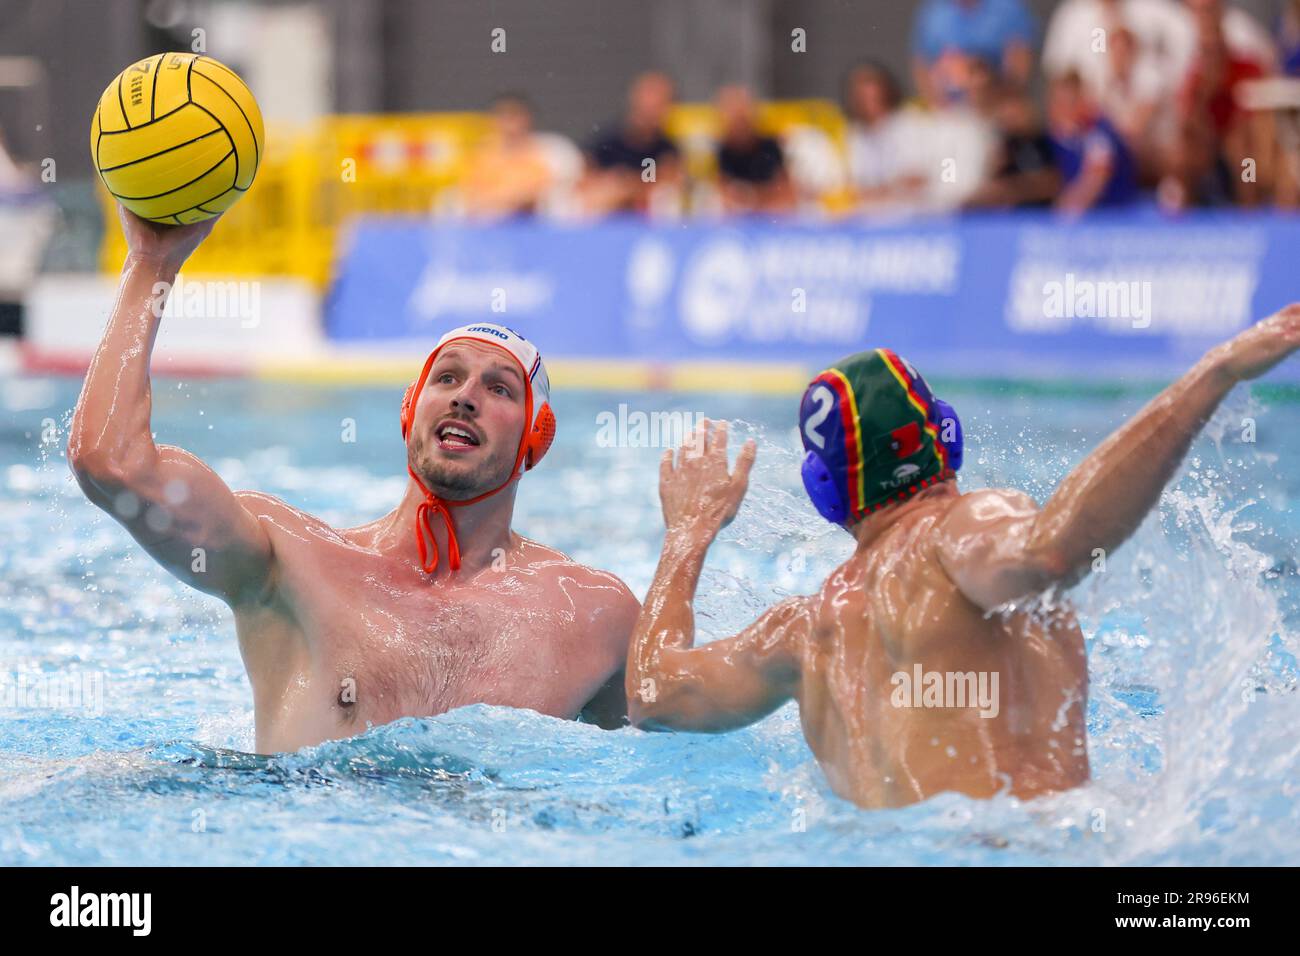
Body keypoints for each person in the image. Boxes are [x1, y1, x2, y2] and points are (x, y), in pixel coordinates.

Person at [625, 307, 1300, 809]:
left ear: (824, 490)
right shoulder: (959, 531)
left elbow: (651, 695)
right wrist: (1215, 374)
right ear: (947, 438)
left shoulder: (802, 636)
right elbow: (1057, 547)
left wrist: (690, 531)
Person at [68, 209, 641, 754]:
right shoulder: (286, 559)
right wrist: (151, 261)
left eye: (498, 389)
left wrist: (688, 547)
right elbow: (109, 463)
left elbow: (650, 765)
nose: (465, 396)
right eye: (447, 377)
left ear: (535, 439)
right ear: (410, 410)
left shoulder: (592, 614)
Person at [582, 71, 683, 216]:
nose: (650, 110)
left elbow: (667, 188)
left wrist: (629, 186)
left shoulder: (668, 152)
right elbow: (585, 185)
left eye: (658, 104)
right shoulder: (605, 143)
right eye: (646, 102)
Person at [911, 0, 1037, 106]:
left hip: (998, 101)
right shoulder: (934, 11)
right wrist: (939, 105)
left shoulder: (1008, 8)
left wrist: (995, 97)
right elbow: (921, 67)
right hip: (946, 105)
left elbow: (1019, 69)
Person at [1047, 71, 1140, 213]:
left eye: (1068, 102)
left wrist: (1063, 213)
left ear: (1081, 100)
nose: (1062, 109)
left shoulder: (1098, 131)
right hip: (1090, 214)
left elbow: (1095, 181)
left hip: (1116, 214)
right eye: (1058, 102)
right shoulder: (1058, 134)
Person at [460, 93, 554, 219]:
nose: (508, 123)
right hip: (484, 222)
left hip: (525, 224)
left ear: (527, 119)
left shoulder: (541, 154)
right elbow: (469, 191)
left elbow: (534, 196)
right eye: (502, 116)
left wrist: (503, 205)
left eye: (514, 116)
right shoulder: (483, 152)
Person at [713, 85, 794, 214]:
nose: (739, 125)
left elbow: (787, 196)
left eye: (742, 117)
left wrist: (751, 198)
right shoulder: (722, 152)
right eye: (734, 117)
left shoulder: (770, 148)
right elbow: (722, 199)